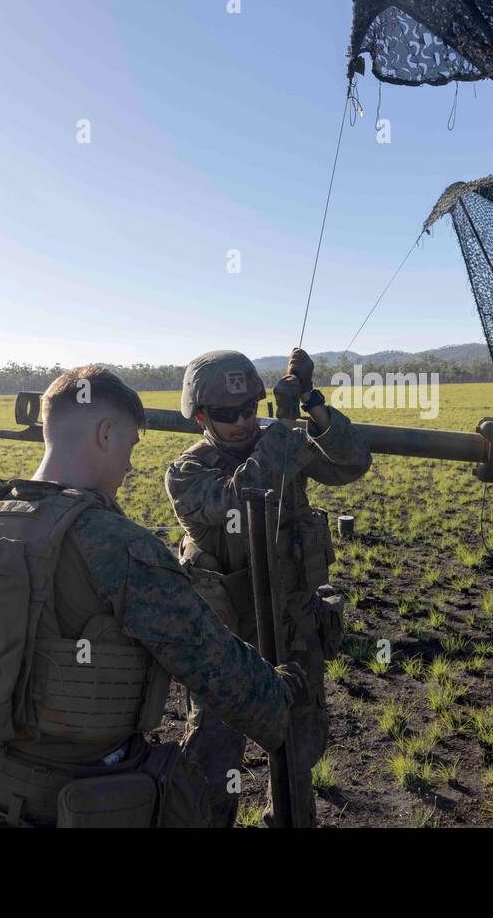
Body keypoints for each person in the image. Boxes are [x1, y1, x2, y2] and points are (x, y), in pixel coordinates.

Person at [0, 365, 305, 828]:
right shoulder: (116, 543)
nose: (130, 467)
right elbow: (219, 668)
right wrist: (281, 696)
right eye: (130, 447)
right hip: (86, 803)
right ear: (106, 432)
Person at [166, 347, 371, 827]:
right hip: (226, 643)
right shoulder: (188, 472)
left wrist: (313, 405)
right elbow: (246, 497)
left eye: (248, 409)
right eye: (225, 413)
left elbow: (352, 464)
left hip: (293, 628)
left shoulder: (279, 442)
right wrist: (279, 427)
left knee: (300, 750)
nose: (241, 421)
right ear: (199, 416)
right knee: (214, 760)